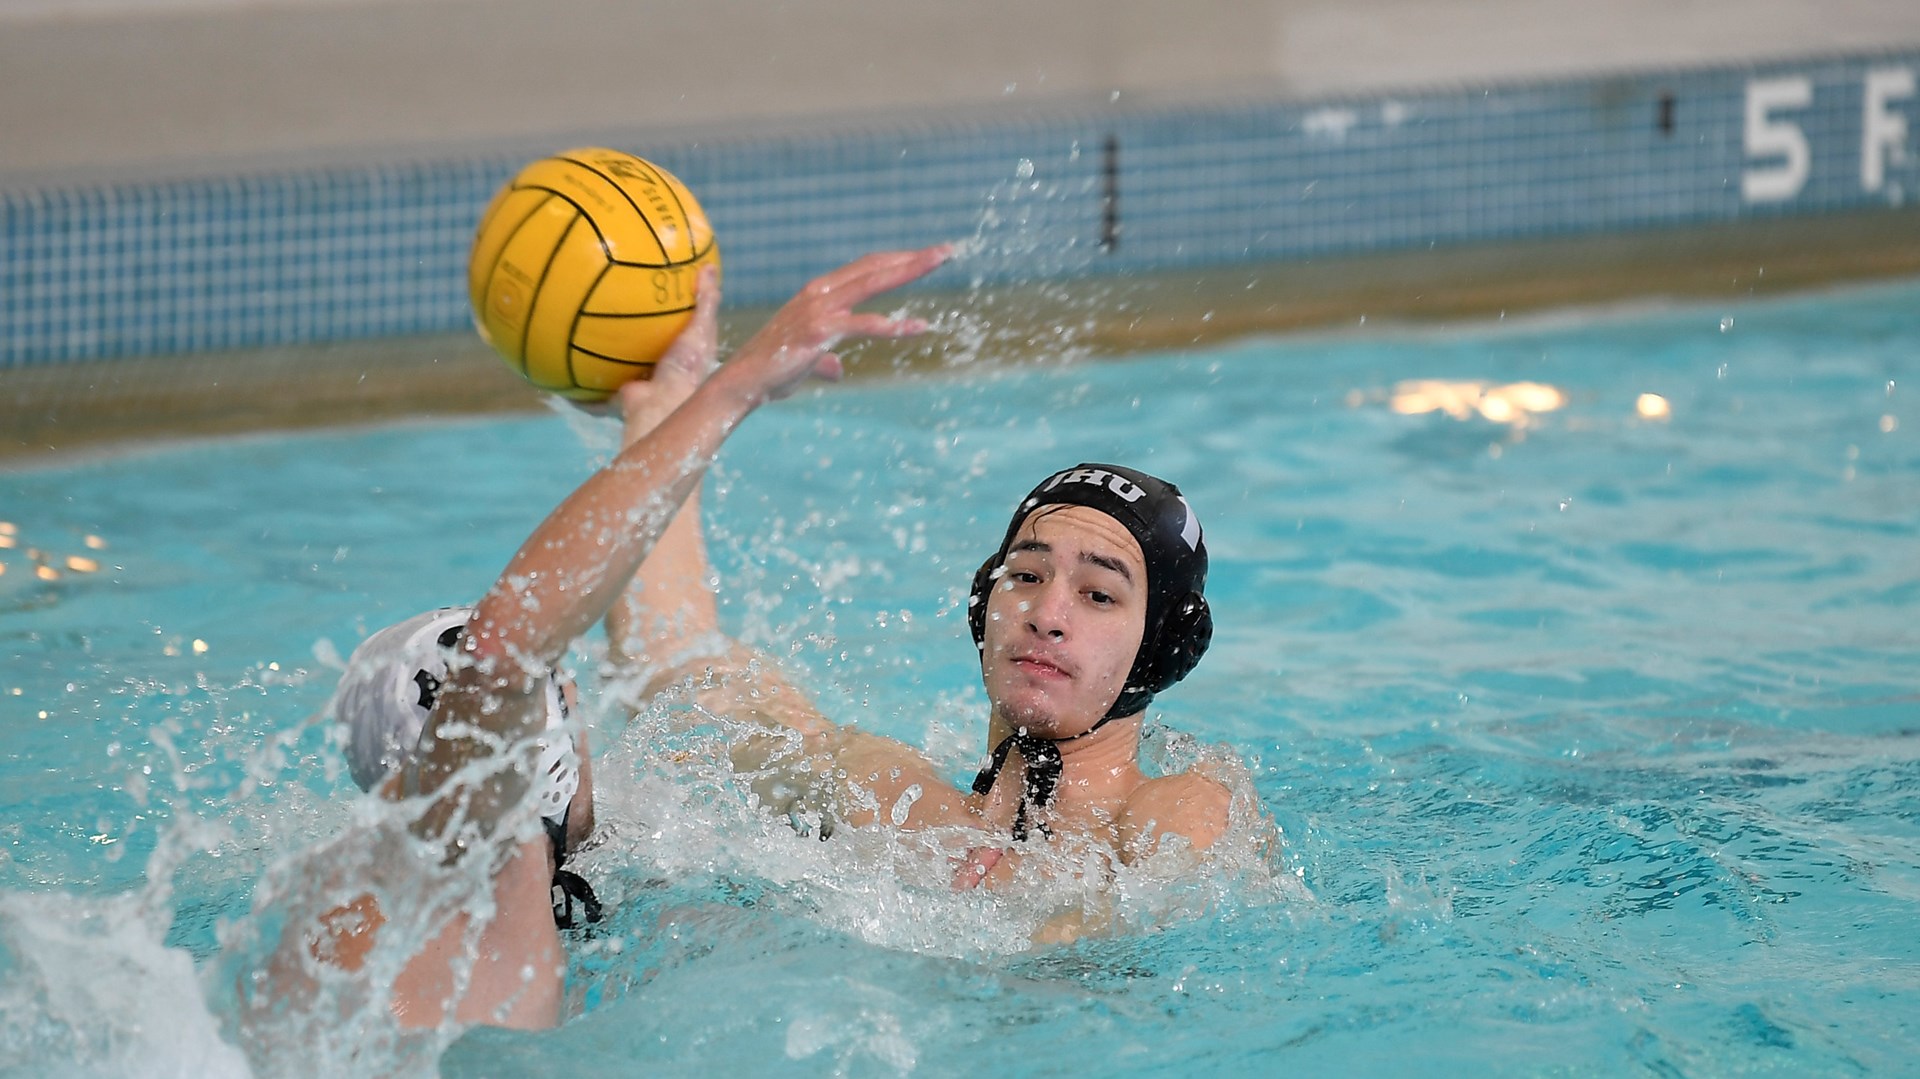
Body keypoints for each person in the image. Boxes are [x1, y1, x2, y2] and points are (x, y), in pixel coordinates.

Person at [248, 246, 951, 1040]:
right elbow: (506, 645)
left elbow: (671, 653)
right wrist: (731, 389)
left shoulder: (365, 897)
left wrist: (661, 406)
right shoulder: (471, 870)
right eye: (559, 693)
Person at [605, 314, 1232, 911]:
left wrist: (1065, 915)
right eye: (1027, 575)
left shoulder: (1172, 812)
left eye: (1098, 594)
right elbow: (669, 654)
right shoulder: (885, 794)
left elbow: (1164, 889)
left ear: (1160, 647)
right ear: (983, 606)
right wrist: (673, 410)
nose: (1047, 613)